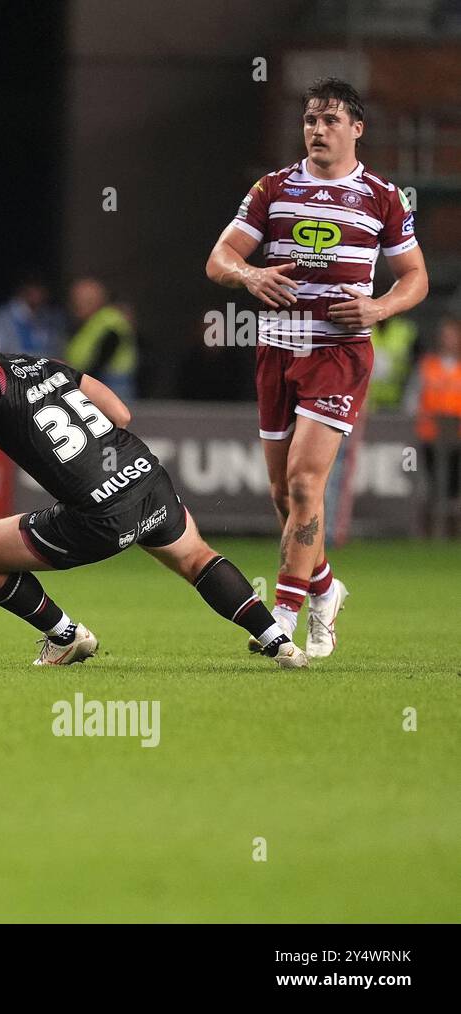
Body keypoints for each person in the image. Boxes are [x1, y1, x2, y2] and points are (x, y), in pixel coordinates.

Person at [0, 305, 308, 668]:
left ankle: (65, 635)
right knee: (197, 558)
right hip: (145, 477)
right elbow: (120, 413)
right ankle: (279, 642)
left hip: (99, 513)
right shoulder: (43, 363)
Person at [205, 77, 428, 657]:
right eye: (310, 119)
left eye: (331, 120)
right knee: (284, 496)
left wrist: (378, 306)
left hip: (340, 352)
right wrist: (251, 275)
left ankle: (282, 614)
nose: (317, 129)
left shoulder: (383, 196)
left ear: (357, 129)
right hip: (277, 349)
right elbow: (220, 258)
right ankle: (325, 588)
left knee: (307, 484)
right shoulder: (273, 189)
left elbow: (415, 277)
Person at [409, 317, 461, 538]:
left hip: (458, 438)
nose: (448, 340)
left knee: (454, 486)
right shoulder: (427, 365)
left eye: (452, 335)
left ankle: (452, 530)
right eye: (445, 335)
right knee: (427, 483)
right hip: (428, 436)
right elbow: (411, 399)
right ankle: (428, 530)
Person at [64, 278, 137, 401]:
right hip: (95, 381)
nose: (75, 306)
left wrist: (82, 378)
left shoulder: (109, 320)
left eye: (80, 300)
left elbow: (104, 355)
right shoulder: (93, 321)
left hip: (109, 383)